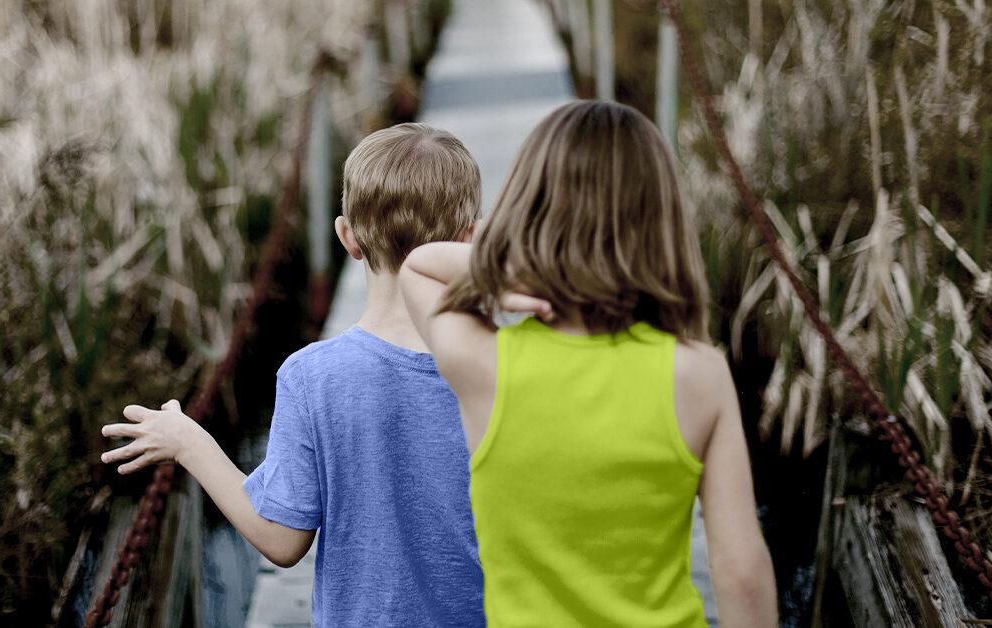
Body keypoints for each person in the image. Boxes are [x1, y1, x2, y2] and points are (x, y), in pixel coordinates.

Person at [399, 101, 778, 627]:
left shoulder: (485, 362)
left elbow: (418, 267)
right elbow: (741, 573)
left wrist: (503, 272)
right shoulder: (699, 374)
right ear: (660, 223)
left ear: (526, 215)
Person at [101, 122, 486, 626]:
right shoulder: (501, 365)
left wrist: (188, 443)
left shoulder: (313, 377)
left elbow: (282, 540)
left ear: (347, 236)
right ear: (471, 237)